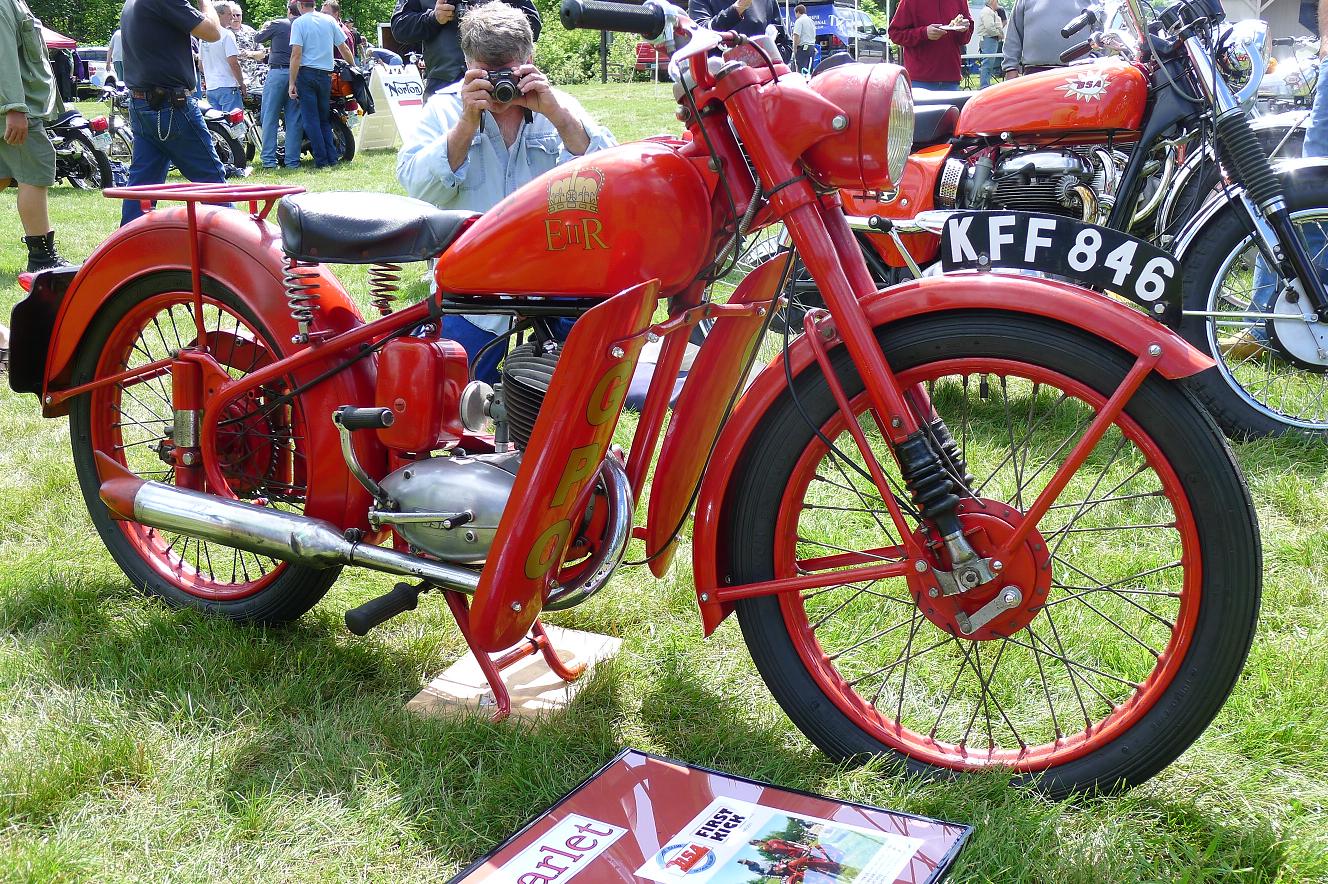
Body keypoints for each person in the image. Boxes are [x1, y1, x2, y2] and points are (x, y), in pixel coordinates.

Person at [396, 0, 616, 382]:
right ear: (468, 64)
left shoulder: (555, 104)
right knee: (449, 390)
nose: (501, 86)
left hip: (556, 274)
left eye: (508, 72)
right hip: (473, 283)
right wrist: (466, 125)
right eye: (487, 72)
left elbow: (610, 177)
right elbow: (415, 183)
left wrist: (559, 117)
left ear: (529, 57)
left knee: (587, 381)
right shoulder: (446, 109)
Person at [118, 0, 228, 226]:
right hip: (171, 106)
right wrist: (205, 3)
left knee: (141, 189)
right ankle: (236, 248)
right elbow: (213, 32)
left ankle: (129, 251)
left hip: (142, 104)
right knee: (212, 181)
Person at [0, 0, 70, 272]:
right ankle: (42, 258)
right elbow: (3, 55)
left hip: (14, 106)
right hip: (15, 109)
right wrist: (14, 108)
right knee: (35, 171)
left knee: (4, 176)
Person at [392, 0, 541, 98]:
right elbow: (400, 28)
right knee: (440, 143)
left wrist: (491, 13)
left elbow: (533, 24)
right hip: (444, 81)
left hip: (501, 78)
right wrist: (433, 18)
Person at [287, 0, 354, 169]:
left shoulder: (298, 23)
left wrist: (291, 82)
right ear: (314, 4)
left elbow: (296, 55)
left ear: (301, 6)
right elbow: (344, 47)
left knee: (311, 120)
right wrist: (353, 67)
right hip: (326, 75)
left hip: (306, 74)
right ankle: (331, 157)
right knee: (324, 119)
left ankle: (321, 160)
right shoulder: (329, 20)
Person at [255, 1, 303, 169]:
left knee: (269, 117)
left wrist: (266, 25)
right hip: (297, 74)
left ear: (288, 10)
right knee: (294, 119)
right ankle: (292, 161)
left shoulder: (278, 23)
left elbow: (257, 38)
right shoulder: (304, 25)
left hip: (277, 73)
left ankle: (269, 161)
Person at [887, 0, 972, 90]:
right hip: (920, 80)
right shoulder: (909, 2)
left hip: (951, 77)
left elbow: (965, 39)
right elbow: (895, 33)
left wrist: (963, 29)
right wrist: (923, 33)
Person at [1002, 0, 1091, 78]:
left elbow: (1101, 30)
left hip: (1081, 73)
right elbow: (1013, 34)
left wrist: (1096, 59)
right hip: (1035, 73)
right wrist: (1010, 68)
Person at [200, 0, 247, 111]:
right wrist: (241, 83)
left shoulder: (204, 36)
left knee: (219, 125)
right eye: (229, 14)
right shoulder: (227, 34)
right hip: (227, 86)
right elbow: (233, 63)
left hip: (211, 88)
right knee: (234, 124)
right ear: (218, 15)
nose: (233, 17)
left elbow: (201, 65)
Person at [689, 0, 788, 42]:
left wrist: (768, 59)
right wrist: (736, 10)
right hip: (720, 79)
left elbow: (785, 43)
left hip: (763, 79)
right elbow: (700, 34)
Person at [229, 1, 267, 96]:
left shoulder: (250, 31)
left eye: (238, 15)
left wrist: (250, 53)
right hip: (231, 79)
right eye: (233, 15)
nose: (236, 18)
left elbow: (262, 54)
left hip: (253, 78)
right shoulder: (223, 32)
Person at [975, 0, 1004, 88]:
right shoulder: (987, 11)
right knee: (987, 64)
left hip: (991, 40)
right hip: (989, 39)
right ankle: (984, 86)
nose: (998, 4)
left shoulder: (990, 12)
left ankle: (985, 84)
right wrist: (998, 34)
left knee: (989, 64)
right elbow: (989, 27)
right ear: (992, 1)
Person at [791, 4, 816, 75]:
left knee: (801, 70)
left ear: (798, 12)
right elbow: (813, 34)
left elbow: (796, 35)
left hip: (803, 49)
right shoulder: (811, 21)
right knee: (809, 70)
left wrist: (795, 48)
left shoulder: (799, 21)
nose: (795, 15)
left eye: (795, 13)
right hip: (811, 48)